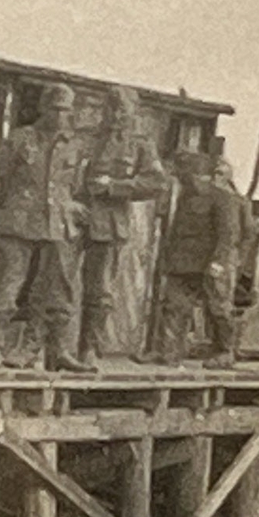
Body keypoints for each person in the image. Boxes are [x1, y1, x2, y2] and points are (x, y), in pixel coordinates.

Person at [0, 83, 92, 373]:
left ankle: (37, 350)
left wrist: (70, 206)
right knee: (8, 286)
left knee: (53, 291)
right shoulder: (20, 139)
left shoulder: (76, 146)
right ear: (43, 108)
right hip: (18, 221)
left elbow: (77, 186)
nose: (60, 114)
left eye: (66, 109)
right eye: (55, 107)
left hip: (56, 225)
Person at [77, 87, 168, 368]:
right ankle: (53, 349)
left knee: (100, 291)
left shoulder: (140, 145)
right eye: (112, 109)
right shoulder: (86, 138)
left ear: (133, 113)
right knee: (60, 287)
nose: (116, 116)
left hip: (109, 225)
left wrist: (115, 187)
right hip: (74, 220)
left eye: (123, 111)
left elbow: (156, 183)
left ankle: (88, 348)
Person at [150, 152, 243, 368]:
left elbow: (228, 234)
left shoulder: (222, 198)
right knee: (174, 306)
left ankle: (225, 351)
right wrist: (168, 261)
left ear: (201, 176)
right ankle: (169, 353)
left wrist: (219, 262)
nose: (183, 180)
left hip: (208, 264)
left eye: (187, 175)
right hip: (182, 264)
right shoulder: (181, 198)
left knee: (218, 308)